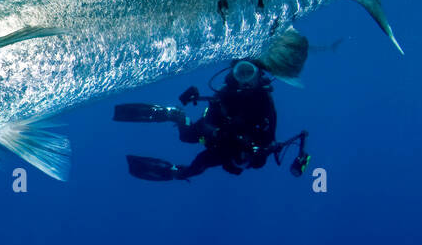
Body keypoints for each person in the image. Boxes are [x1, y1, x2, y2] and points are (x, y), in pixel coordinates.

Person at [113, 60, 309, 181]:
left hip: (232, 150)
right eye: (241, 73)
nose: (244, 80)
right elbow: (210, 117)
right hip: (216, 135)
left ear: (259, 76)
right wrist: (215, 132)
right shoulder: (226, 93)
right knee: (186, 136)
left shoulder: (265, 103)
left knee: (196, 166)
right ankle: (175, 115)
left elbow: (267, 140)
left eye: (249, 73)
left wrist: (250, 150)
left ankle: (172, 171)